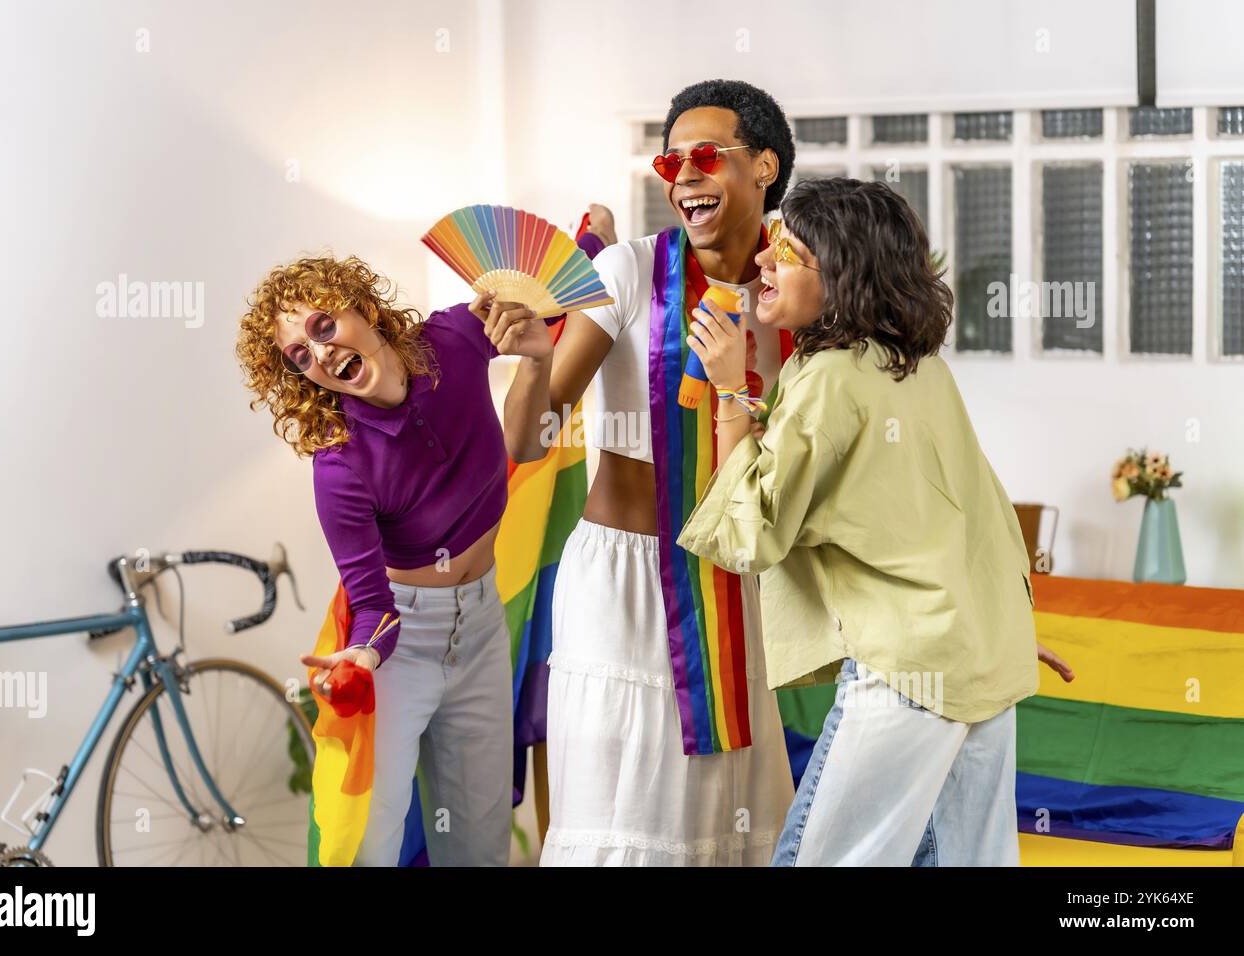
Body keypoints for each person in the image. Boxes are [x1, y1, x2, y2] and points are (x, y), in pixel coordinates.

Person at [676, 177, 1075, 867]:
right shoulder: (919, 368)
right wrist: (987, 629)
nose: (764, 259)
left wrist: (730, 391)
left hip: (908, 671)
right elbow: (968, 516)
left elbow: (751, 532)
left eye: (787, 251)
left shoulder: (829, 377)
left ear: (843, 274)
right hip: (974, 661)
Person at [489, 80, 796, 865]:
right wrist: (534, 361)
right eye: (671, 162)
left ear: (764, 167)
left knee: (721, 815)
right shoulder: (627, 270)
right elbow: (527, 440)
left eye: (707, 156)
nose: (684, 175)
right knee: (623, 818)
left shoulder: (794, 292)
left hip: (732, 584)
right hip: (623, 588)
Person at [235, 221, 609, 866]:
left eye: (323, 326)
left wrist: (594, 241)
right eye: (299, 355)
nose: (319, 352)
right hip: (402, 644)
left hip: (482, 625)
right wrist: (361, 656)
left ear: (363, 309)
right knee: (370, 844)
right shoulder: (339, 468)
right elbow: (372, 605)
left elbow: (544, 304)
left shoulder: (452, 339)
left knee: (479, 845)